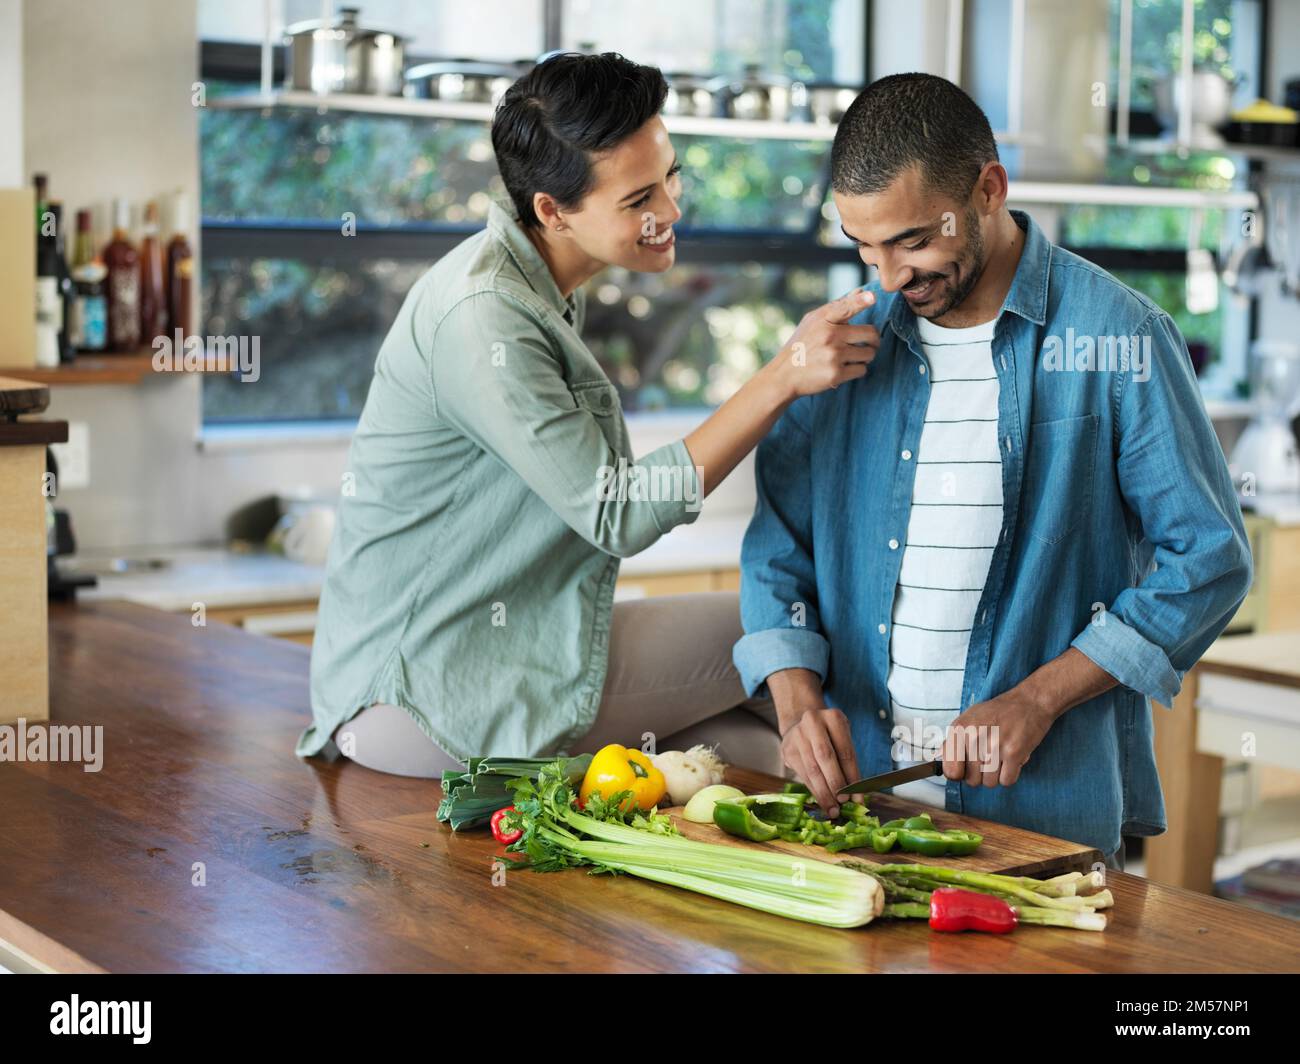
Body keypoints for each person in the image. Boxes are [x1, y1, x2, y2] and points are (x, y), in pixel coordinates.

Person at [295, 52, 878, 778]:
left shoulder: (530, 286)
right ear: (552, 210)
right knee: (779, 633)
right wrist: (785, 376)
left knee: (752, 750)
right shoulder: (486, 319)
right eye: (638, 199)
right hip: (421, 693)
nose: (669, 210)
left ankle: (887, 869)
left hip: (477, 658)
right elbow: (617, 513)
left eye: (670, 176)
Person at [733, 73, 1253, 872]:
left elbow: (1209, 558)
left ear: (988, 188)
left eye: (912, 241)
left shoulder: (1116, 337)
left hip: (1043, 822)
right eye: (863, 245)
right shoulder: (841, 347)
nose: (887, 278)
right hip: (867, 813)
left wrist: (1037, 700)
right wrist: (798, 705)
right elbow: (779, 550)